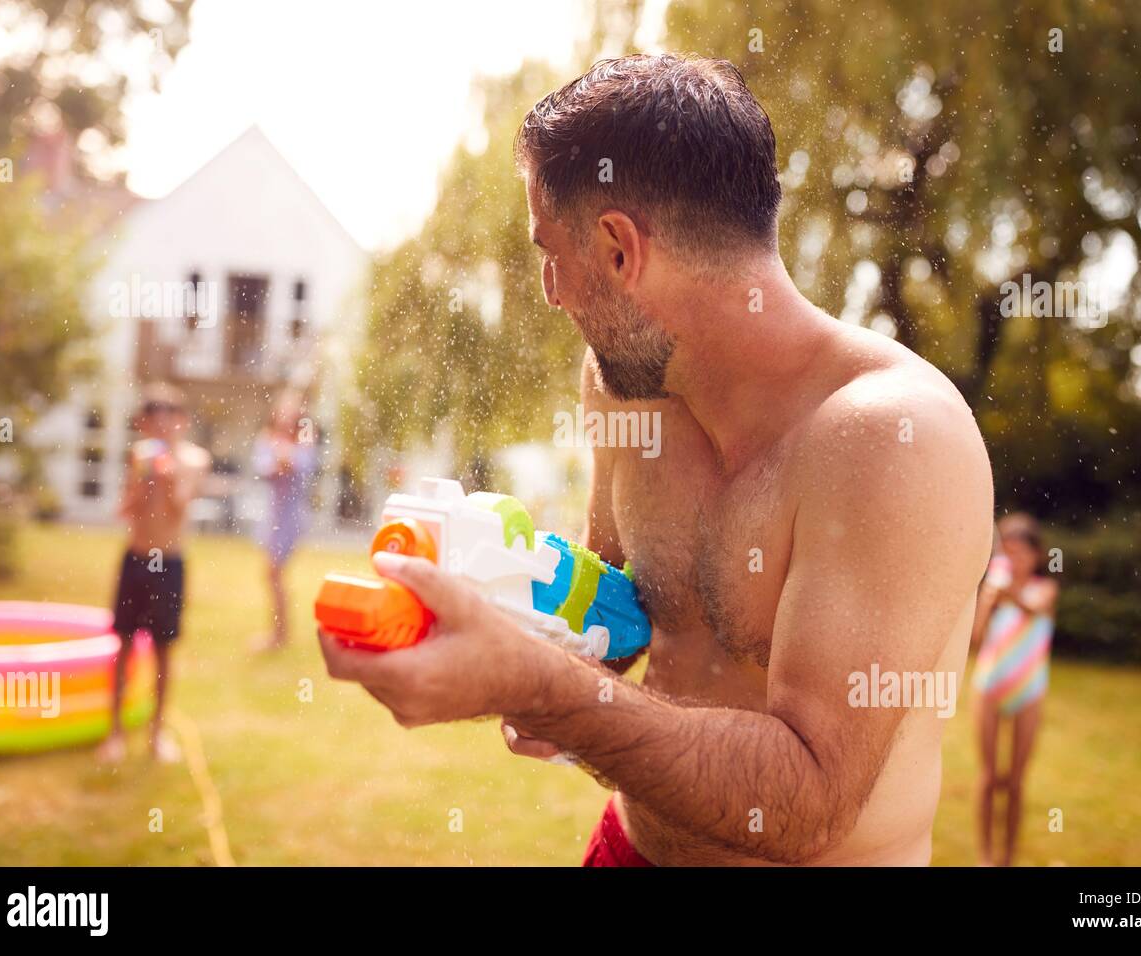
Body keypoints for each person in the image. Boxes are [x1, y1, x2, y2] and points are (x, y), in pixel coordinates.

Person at [317, 54, 995, 865]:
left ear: (616, 249)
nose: (548, 289)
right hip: (629, 851)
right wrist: (486, 596)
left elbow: (809, 803)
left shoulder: (893, 440)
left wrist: (539, 690)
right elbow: (620, 612)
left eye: (548, 248)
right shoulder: (623, 390)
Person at [98, 384, 210, 763]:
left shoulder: (195, 460)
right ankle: (115, 732)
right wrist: (144, 486)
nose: (162, 428)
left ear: (181, 422)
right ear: (145, 425)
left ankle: (157, 735)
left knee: (163, 649)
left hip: (170, 563)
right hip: (136, 558)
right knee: (124, 644)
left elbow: (179, 509)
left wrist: (168, 478)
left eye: (169, 420)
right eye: (154, 421)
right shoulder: (140, 455)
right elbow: (126, 509)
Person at [969, 513, 1058, 866]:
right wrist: (988, 603)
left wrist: (1009, 595)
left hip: (1029, 693)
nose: (1015, 560)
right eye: (1008, 552)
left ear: (1036, 555)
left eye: (1022, 552)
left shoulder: (1044, 589)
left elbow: (1034, 608)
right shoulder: (993, 589)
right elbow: (975, 641)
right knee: (989, 778)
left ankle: (1008, 858)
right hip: (989, 687)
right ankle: (986, 857)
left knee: (1016, 781)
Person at [252, 392, 318, 651]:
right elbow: (267, 469)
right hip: (274, 516)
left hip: (290, 518)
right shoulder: (270, 441)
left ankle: (279, 635)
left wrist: (283, 453)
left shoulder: (303, 443)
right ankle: (279, 632)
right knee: (273, 576)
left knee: (274, 575)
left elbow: (293, 465)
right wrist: (279, 454)